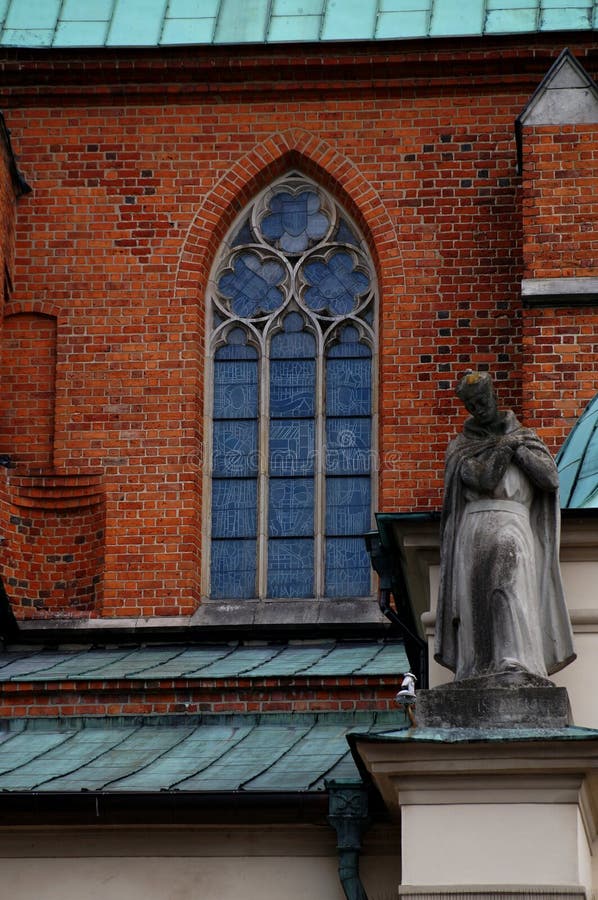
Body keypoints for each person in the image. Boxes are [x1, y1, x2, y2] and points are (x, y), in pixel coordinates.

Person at [435, 371, 575, 682]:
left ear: (494, 396)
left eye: (482, 401)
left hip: (513, 524)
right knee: (476, 599)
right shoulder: (462, 447)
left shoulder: (526, 438)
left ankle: (515, 661)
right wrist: (505, 446)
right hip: (475, 528)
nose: (478, 409)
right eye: (471, 405)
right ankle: (476, 667)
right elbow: (485, 480)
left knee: (509, 589)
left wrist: (515, 445)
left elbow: (550, 479)